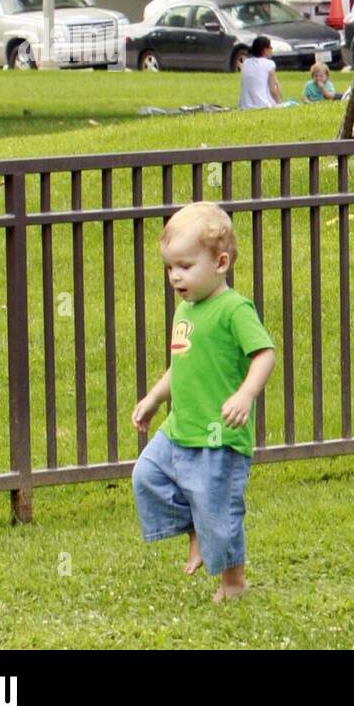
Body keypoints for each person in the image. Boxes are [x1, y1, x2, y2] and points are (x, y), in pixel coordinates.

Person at [131, 201, 276, 600]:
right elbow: (180, 365)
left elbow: (265, 354)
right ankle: (192, 528)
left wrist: (246, 393)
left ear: (220, 262)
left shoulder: (234, 309)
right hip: (180, 429)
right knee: (146, 476)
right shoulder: (186, 310)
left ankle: (233, 583)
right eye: (169, 268)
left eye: (185, 266)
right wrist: (154, 398)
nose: (175, 275)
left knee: (220, 513)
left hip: (219, 438)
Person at [238, 35, 282, 109]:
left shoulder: (245, 63)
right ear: (265, 50)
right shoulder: (269, 64)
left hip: (244, 106)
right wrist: (279, 102)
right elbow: (273, 89)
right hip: (263, 105)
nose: (272, 49)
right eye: (270, 47)